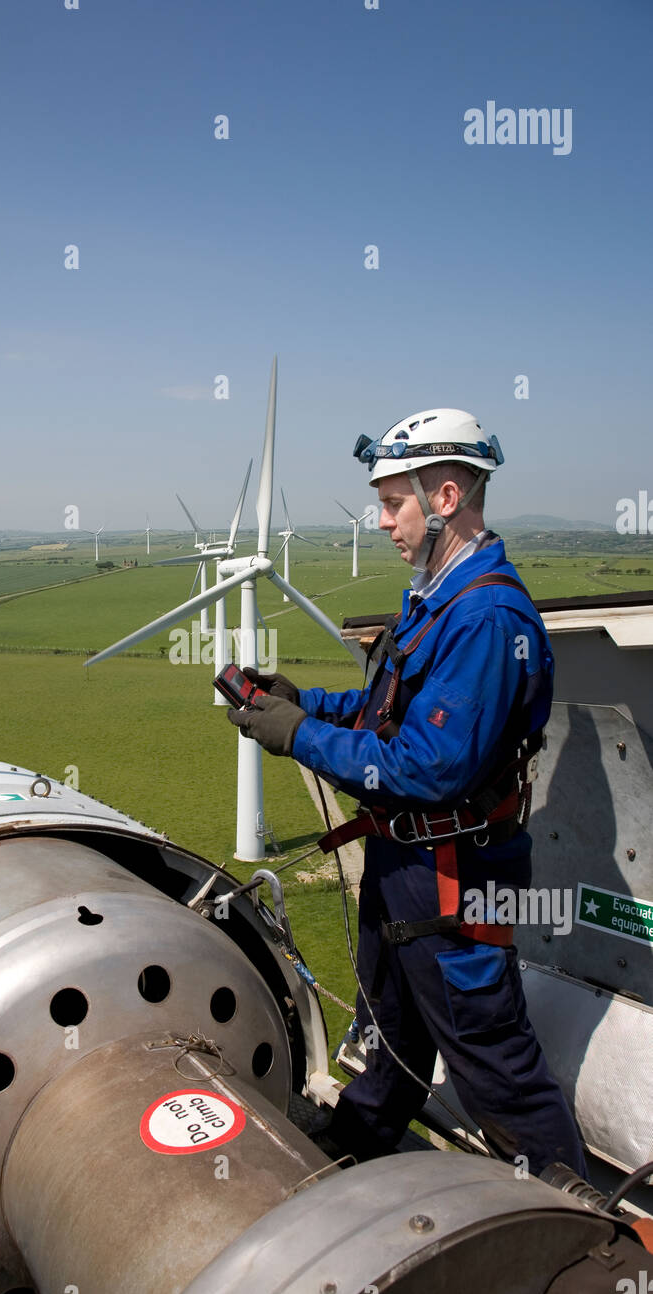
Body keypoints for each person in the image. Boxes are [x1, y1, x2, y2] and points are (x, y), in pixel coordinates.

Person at [228, 407, 587, 1178]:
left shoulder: (488, 618)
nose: (382, 520)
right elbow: (390, 714)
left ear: (447, 498)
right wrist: (300, 703)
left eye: (394, 502)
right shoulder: (436, 596)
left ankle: (581, 1221)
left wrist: (295, 737)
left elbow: (427, 767)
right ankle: (357, 1145)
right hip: (406, 865)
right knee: (389, 1029)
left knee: (493, 1062)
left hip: (458, 876)